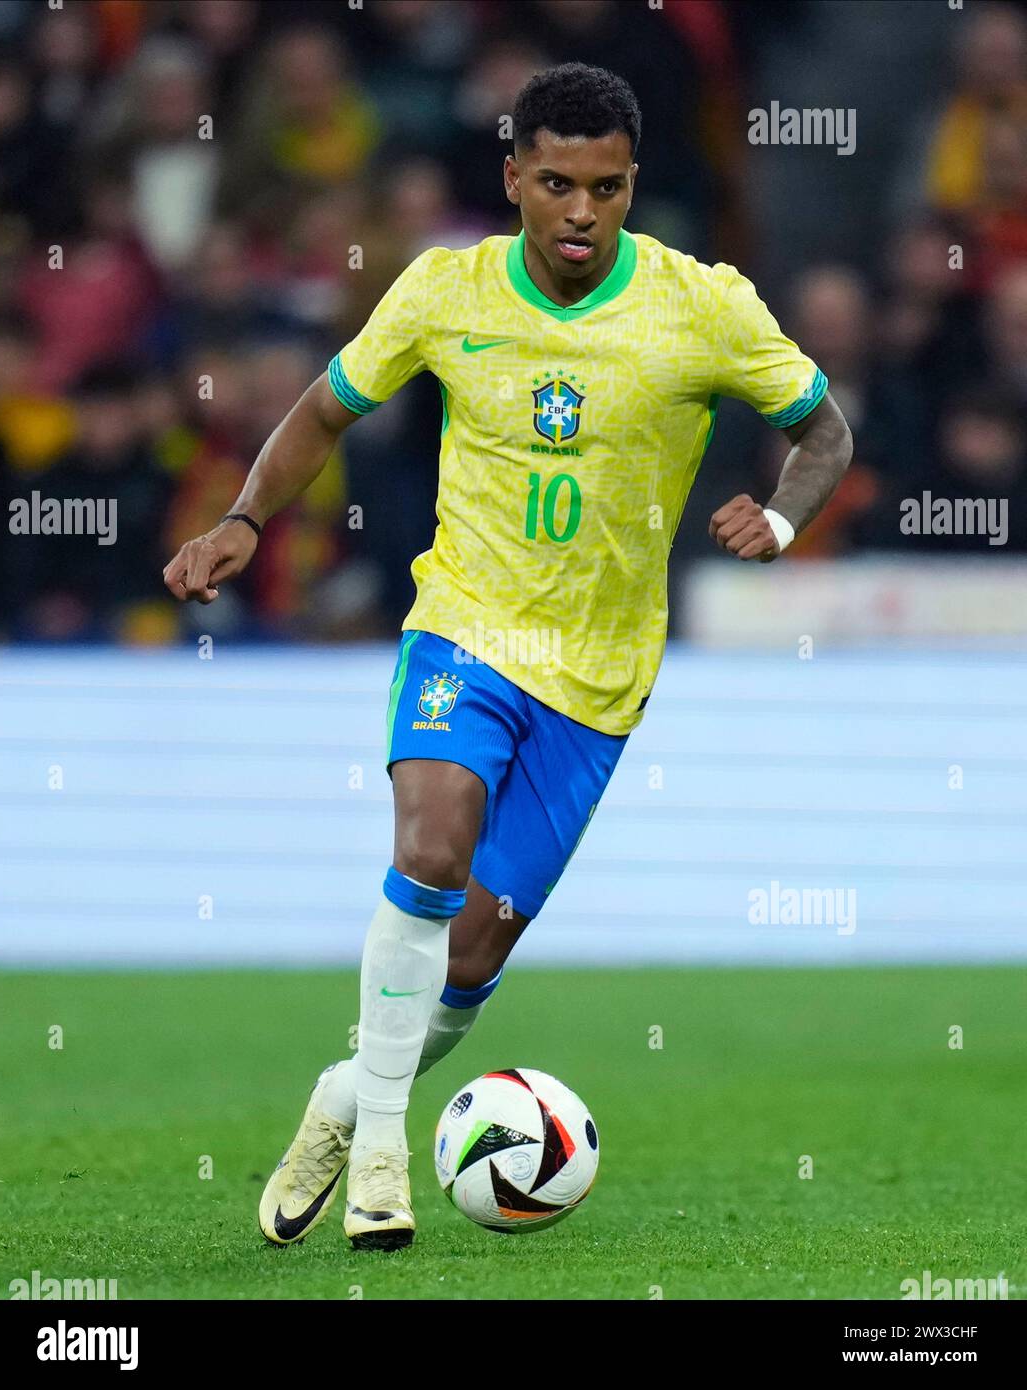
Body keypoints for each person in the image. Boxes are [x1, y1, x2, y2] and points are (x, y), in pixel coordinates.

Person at [162, 63, 852, 1252]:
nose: (579, 212)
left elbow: (822, 428)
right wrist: (243, 518)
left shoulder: (703, 305)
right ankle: (384, 1163)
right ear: (511, 179)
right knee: (428, 849)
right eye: (554, 184)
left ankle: (345, 1101)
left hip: (594, 679)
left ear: (632, 186)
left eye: (606, 188)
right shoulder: (444, 289)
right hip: (465, 625)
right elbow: (326, 408)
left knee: (465, 967)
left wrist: (782, 517)